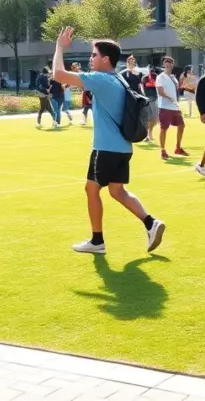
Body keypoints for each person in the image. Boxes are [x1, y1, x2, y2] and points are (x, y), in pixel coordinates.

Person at [51, 28, 165, 254]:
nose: (90, 59)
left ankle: (97, 241)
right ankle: (151, 223)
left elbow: (58, 75)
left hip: (105, 148)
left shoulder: (101, 79)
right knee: (117, 191)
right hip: (123, 147)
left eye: (93, 55)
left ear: (105, 59)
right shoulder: (119, 78)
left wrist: (59, 47)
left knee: (91, 189)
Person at [156, 57, 188, 160]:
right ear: (164, 65)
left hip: (174, 107)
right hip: (164, 106)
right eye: (166, 62)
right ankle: (162, 150)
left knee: (181, 125)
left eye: (170, 62)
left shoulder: (174, 77)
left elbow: (177, 90)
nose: (168, 64)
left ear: (172, 65)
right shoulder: (161, 77)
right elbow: (160, 91)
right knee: (164, 128)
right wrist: (169, 97)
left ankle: (178, 148)